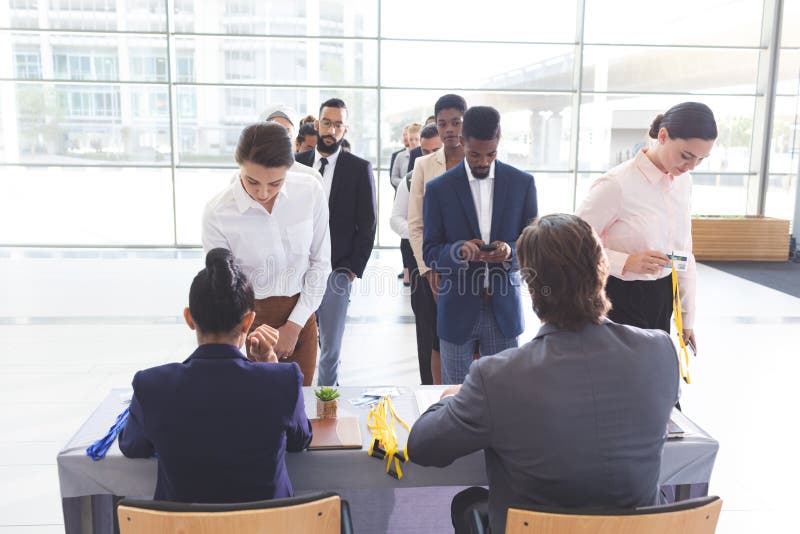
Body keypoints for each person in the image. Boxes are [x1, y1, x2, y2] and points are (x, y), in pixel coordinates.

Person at [408, 214, 681, 534]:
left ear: (531, 285)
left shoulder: (497, 377)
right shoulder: (660, 351)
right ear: (602, 269)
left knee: (469, 503)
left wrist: (450, 397)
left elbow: (422, 446)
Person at [120, 248, 313, 503]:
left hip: (183, 524)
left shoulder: (152, 385)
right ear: (248, 322)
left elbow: (133, 445)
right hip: (268, 523)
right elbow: (300, 440)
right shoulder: (283, 380)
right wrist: (270, 365)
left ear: (189, 318)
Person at [577, 102, 717, 353]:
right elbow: (571, 245)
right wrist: (625, 262)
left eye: (701, 159)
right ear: (662, 136)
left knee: (654, 370)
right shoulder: (616, 184)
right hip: (616, 296)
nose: (692, 166)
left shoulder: (683, 183)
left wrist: (687, 317)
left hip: (662, 295)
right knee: (622, 373)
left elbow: (683, 252)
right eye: (686, 156)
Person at [202, 122, 331, 385]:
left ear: (289, 168)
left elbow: (320, 262)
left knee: (300, 400)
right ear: (239, 165)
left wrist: (293, 326)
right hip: (246, 323)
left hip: (300, 315)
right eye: (252, 181)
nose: (262, 192)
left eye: (275, 183)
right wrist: (242, 335)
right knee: (253, 403)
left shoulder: (309, 192)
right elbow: (223, 286)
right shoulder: (218, 212)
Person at [422, 106, 537, 384]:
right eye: (475, 155)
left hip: (504, 310)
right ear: (462, 141)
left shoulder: (522, 184)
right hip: (456, 308)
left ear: (499, 141)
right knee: (454, 394)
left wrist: (509, 252)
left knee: (505, 393)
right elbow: (430, 251)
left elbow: (534, 246)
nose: (483, 161)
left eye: (491, 154)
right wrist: (458, 251)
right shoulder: (438, 189)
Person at [295, 98, 377, 386]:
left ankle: (324, 405)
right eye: (327, 123)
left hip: (337, 269)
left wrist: (353, 268)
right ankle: (295, 402)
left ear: (346, 129)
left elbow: (368, 222)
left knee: (330, 349)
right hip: (297, 268)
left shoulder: (359, 168)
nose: (331, 130)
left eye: (338, 125)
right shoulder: (297, 164)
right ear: (318, 124)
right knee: (296, 342)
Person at [407, 94, 468, 383]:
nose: (449, 129)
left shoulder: (479, 160)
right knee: (435, 339)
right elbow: (415, 223)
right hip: (433, 265)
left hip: (472, 265)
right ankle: (436, 400)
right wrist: (428, 269)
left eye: (456, 122)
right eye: (443, 124)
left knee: (473, 340)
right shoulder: (424, 165)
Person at [390, 123, 443, 383]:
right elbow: (396, 219)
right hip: (421, 264)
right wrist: (416, 234)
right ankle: (428, 387)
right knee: (426, 329)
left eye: (435, 151)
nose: (429, 156)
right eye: (424, 151)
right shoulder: (411, 179)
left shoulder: (457, 178)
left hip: (451, 265)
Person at [259, 105, 321, 181]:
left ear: (295, 136)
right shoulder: (251, 174)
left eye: (286, 131)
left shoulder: (311, 176)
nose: (280, 137)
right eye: (273, 131)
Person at [390, 122, 422, 189]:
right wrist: (407, 183)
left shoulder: (425, 155)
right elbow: (393, 178)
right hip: (403, 191)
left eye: (416, 139)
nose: (413, 142)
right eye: (411, 139)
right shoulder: (400, 156)